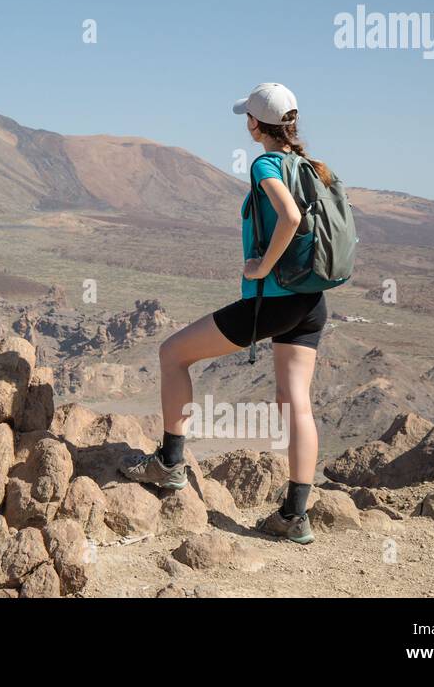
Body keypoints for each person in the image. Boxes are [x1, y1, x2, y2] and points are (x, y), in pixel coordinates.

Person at [118, 82, 337, 544]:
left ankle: (169, 464)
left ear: (257, 124)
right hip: (312, 301)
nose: (246, 125)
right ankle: (295, 516)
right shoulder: (311, 166)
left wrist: (263, 266)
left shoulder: (266, 163)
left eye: (248, 118)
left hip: (273, 301)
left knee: (173, 353)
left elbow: (291, 216)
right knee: (296, 400)